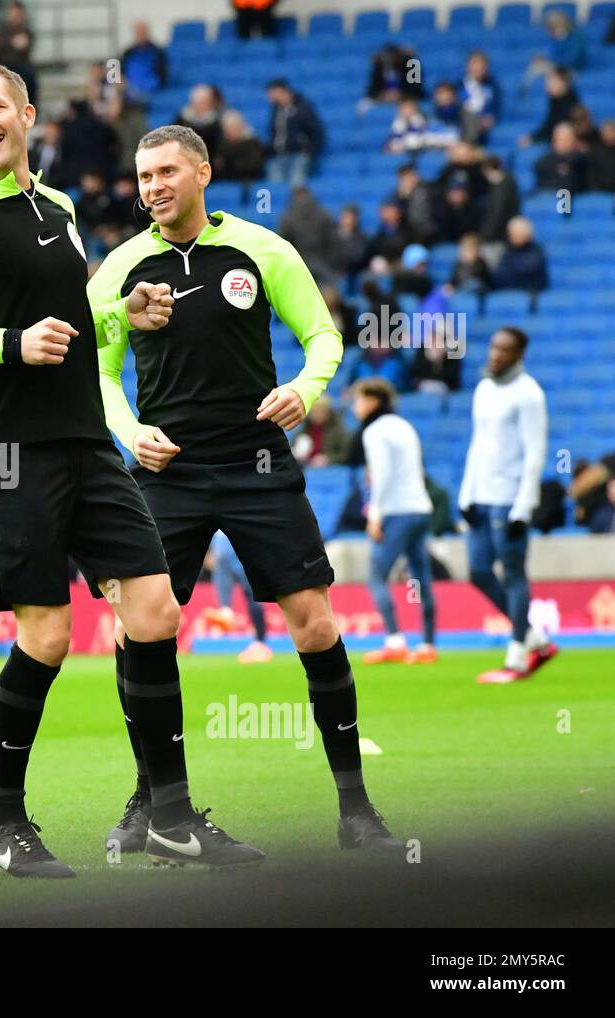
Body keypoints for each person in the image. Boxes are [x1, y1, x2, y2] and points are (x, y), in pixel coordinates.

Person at [0, 60, 229, 876]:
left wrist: (122, 311)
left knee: (154, 609)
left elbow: (69, 314)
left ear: (27, 114)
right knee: (47, 636)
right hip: (8, 452)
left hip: (86, 442)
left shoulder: (59, 207)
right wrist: (7, 345)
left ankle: (172, 816)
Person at [91, 124, 403, 858]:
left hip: (257, 462)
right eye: (143, 177)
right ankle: (156, 800)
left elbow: (324, 336)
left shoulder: (262, 250)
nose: (153, 187)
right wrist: (129, 433)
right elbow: (95, 372)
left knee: (316, 627)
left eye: (167, 171)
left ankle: (356, 810)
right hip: (167, 470)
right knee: (141, 624)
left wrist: (304, 387)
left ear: (202, 172)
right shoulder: (121, 266)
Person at [458, 327, 557, 684]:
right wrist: (466, 495)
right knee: (479, 571)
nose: (496, 354)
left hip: (509, 500)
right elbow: (478, 442)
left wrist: (523, 506)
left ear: (520, 355)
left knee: (514, 574)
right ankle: (535, 638)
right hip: (482, 497)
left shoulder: (529, 394)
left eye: (505, 349)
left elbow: (535, 453)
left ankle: (517, 655)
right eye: (494, 346)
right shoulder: (484, 388)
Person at [349, 379, 438, 665]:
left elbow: (382, 475)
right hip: (420, 507)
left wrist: (374, 514)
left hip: (396, 510)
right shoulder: (404, 426)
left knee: (376, 575)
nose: (355, 407)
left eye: (359, 400)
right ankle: (426, 644)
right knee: (421, 577)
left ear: (373, 401)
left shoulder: (375, 431)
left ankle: (395, 641)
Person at [202, 532, 272, 663]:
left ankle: (260, 643)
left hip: (244, 549)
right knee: (223, 567)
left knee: (253, 595)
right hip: (225, 551)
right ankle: (226, 611)